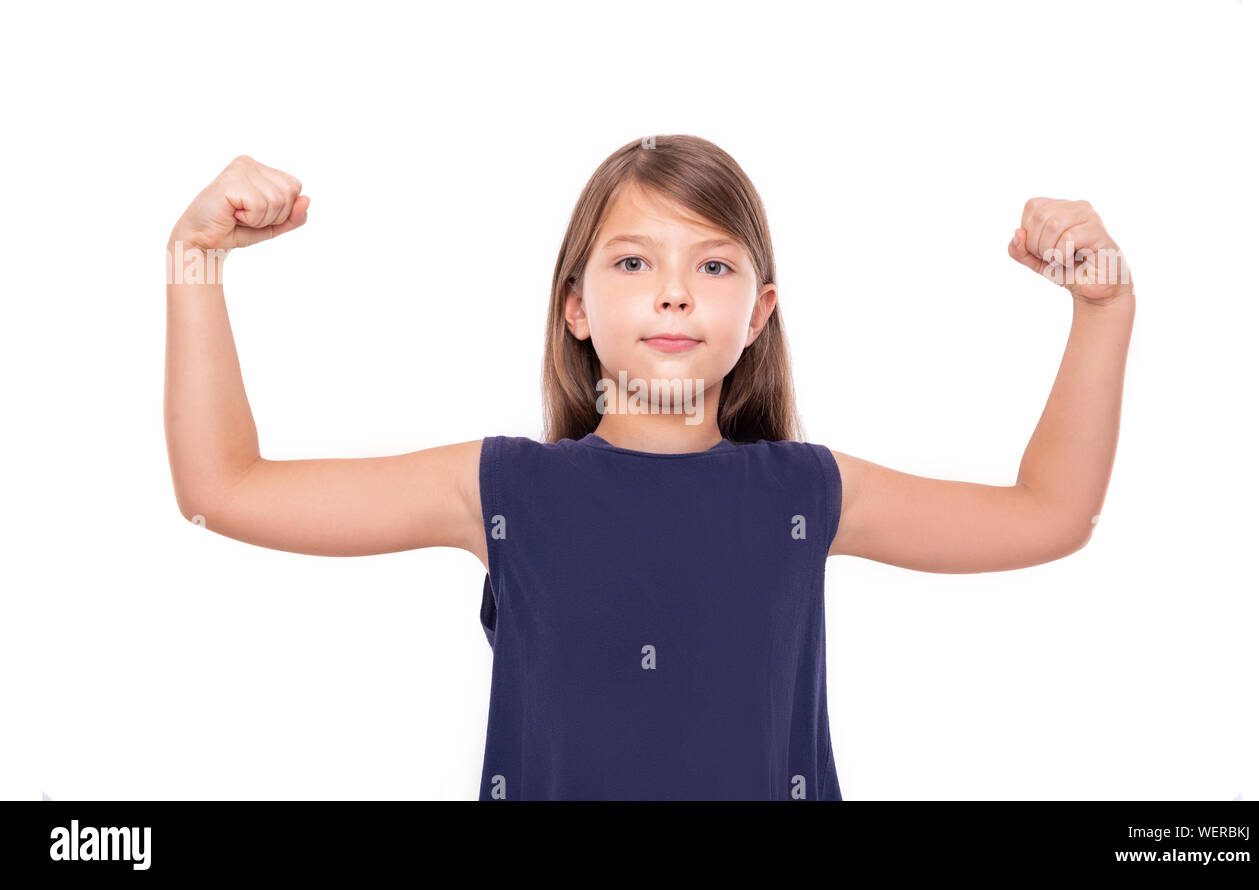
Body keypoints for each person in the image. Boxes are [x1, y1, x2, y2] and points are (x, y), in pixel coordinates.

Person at [163, 135, 1136, 800]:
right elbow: (223, 488)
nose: (673, 291)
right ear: (575, 305)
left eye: (712, 266)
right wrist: (196, 257)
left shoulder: (807, 491)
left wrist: (1103, 309)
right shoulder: (503, 490)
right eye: (633, 262)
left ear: (756, 314)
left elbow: (1049, 512)